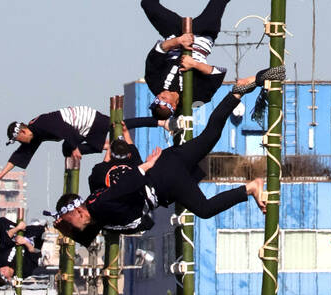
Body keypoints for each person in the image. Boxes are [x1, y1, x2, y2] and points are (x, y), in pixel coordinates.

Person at [53, 73, 282, 246]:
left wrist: (144, 166)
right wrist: (131, 145)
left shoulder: (99, 204)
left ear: (79, 212)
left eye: (70, 224)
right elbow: (90, 229)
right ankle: (237, 91)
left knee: (204, 208)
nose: (72, 230)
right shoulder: (98, 206)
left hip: (164, 180)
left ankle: (251, 187)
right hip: (167, 161)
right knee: (211, 135)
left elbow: (125, 186)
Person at [136, 0, 249, 123]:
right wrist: (194, 64)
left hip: (176, 35)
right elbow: (217, 73)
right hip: (203, 37)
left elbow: (157, 52)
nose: (161, 95)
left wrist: (178, 41)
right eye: (163, 100)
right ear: (173, 106)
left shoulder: (155, 83)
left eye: (158, 98)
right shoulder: (196, 99)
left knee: (148, 5)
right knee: (219, 1)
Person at [0, 106, 112, 180]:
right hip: (81, 128)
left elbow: (67, 129)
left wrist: (75, 148)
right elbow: (20, 155)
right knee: (67, 149)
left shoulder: (42, 124)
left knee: (69, 147)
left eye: (17, 139)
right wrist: (2, 174)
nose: (19, 142)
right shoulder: (34, 134)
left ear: (23, 131)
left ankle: (106, 146)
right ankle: (104, 145)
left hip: (91, 120)